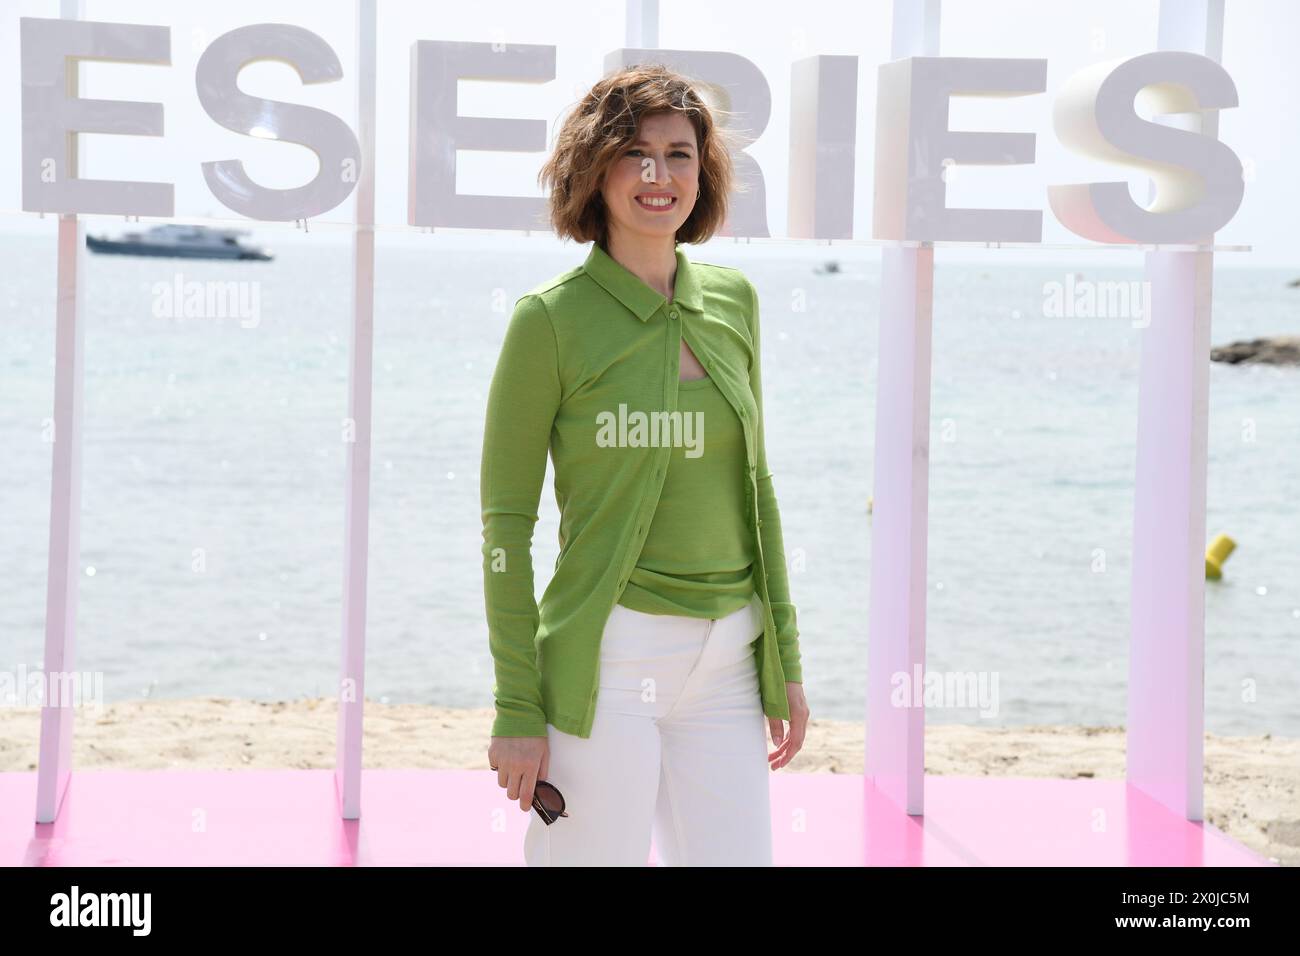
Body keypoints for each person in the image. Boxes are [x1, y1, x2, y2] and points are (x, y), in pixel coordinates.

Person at [481, 64, 808, 866]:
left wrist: (785, 662)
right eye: (634, 153)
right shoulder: (549, 321)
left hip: (729, 661)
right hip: (610, 663)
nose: (659, 175)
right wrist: (517, 707)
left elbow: (757, 487)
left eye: (680, 153)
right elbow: (506, 526)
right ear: (594, 171)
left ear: (706, 170)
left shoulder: (734, 301)